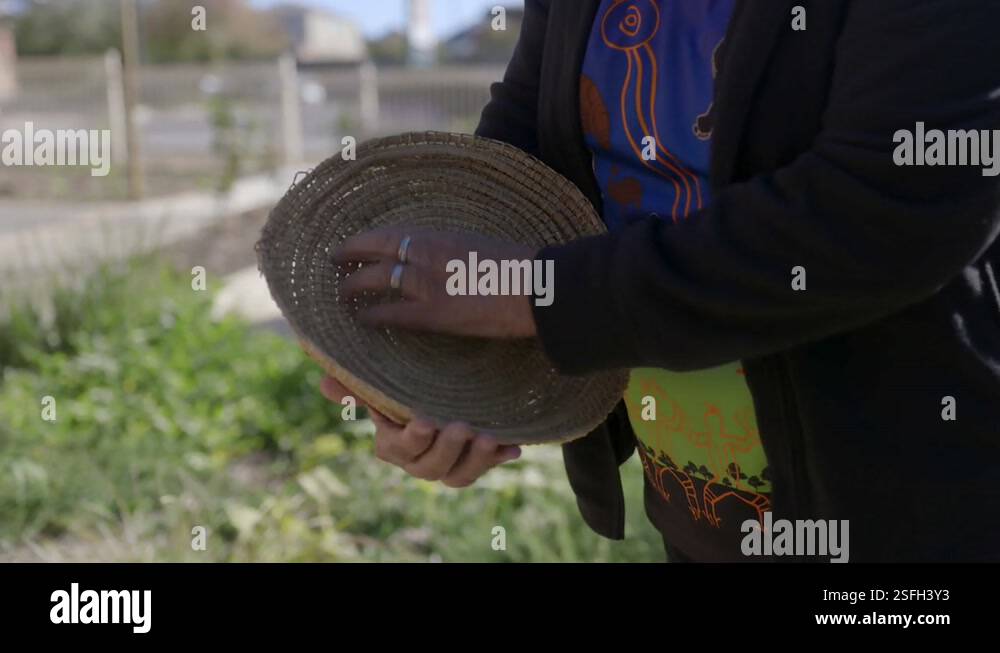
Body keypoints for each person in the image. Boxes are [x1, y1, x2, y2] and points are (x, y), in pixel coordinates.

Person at [321, 0, 1000, 562]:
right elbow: (530, 139)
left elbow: (889, 208)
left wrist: (532, 296)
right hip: (697, 512)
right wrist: (437, 377)